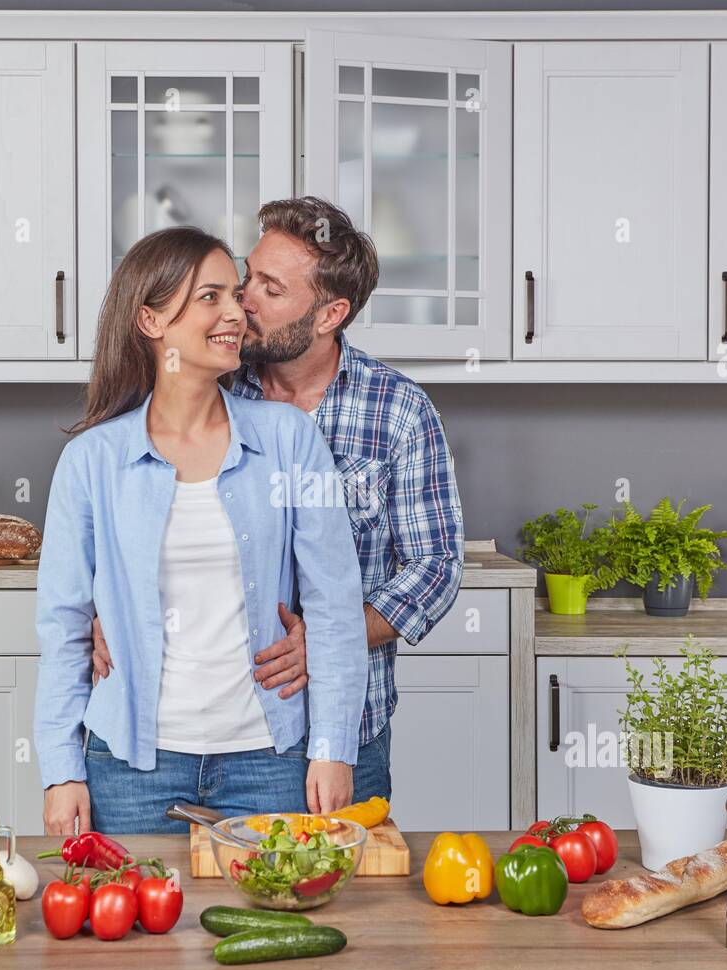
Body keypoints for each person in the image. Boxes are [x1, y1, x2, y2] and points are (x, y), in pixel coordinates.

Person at [92, 198, 464, 803]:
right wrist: (98, 613)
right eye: (246, 278)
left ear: (329, 313)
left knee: (321, 891)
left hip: (349, 726)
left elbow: (437, 566)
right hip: (208, 731)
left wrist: (330, 636)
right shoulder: (205, 374)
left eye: (270, 288)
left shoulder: (398, 410)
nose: (243, 302)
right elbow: (112, 517)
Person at [36, 226, 368, 837]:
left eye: (236, 294)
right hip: (132, 766)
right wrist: (61, 772)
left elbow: (335, 603)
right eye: (209, 297)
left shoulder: (288, 439)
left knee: (275, 926)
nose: (237, 312)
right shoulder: (93, 461)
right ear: (151, 321)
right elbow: (62, 624)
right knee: (140, 930)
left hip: (268, 760)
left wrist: (333, 746)